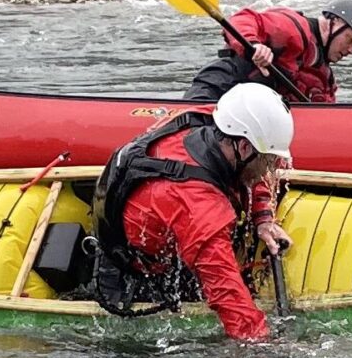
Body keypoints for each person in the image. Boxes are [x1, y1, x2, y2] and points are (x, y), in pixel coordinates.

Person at [92, 83, 294, 341]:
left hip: (155, 233)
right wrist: (265, 348)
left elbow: (253, 175)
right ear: (244, 148)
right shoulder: (195, 201)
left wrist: (263, 217)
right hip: (133, 278)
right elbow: (227, 295)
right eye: (268, 161)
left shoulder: (217, 120)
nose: (271, 169)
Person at [184, 0, 352, 104]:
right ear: (334, 23)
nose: (351, 50)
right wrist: (254, 44)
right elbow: (243, 19)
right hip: (218, 88)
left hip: (247, 113)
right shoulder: (293, 28)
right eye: (350, 40)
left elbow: (326, 115)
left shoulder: (323, 77)